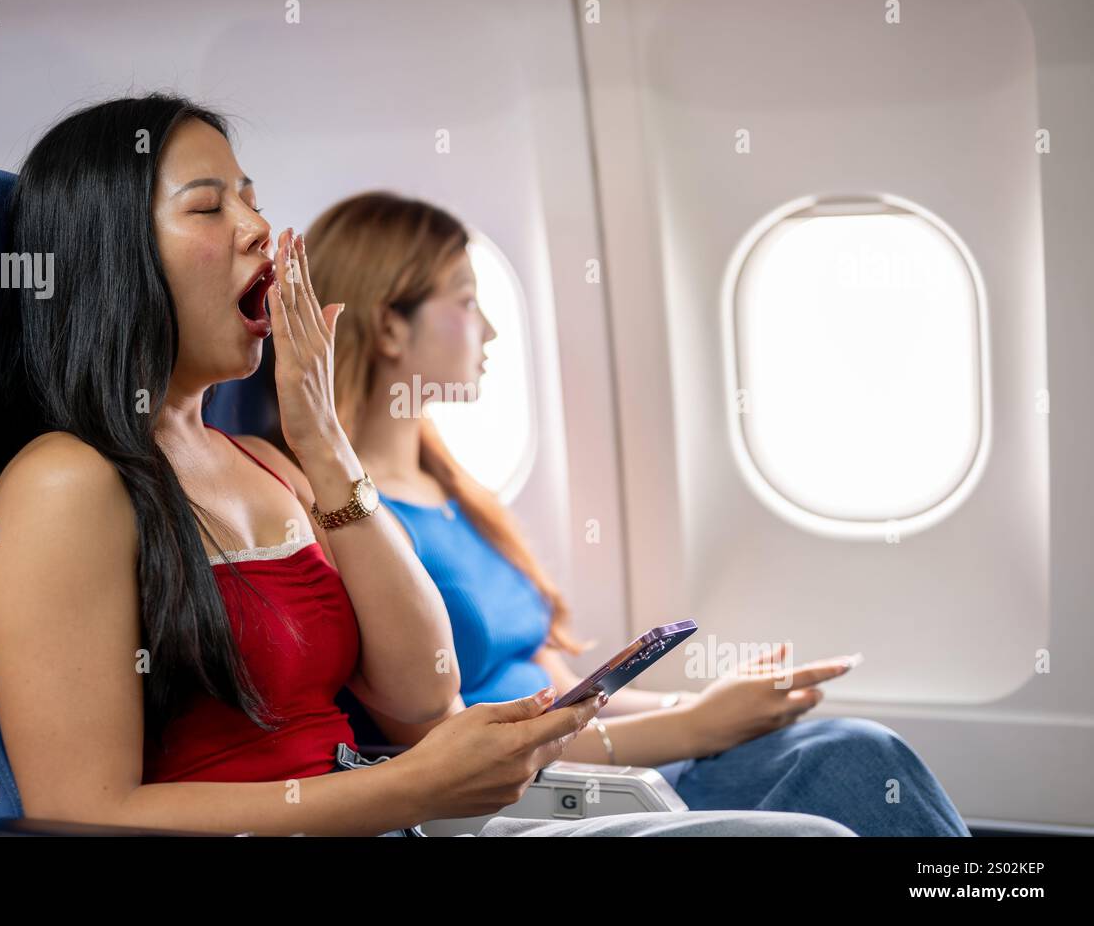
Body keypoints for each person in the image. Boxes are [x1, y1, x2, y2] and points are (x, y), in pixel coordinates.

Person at [0, 93, 853, 837]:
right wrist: (403, 790)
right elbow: (81, 812)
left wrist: (323, 441)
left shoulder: (270, 464)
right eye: (209, 208)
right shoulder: (64, 484)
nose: (259, 230)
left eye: (252, 199)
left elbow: (421, 698)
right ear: (111, 260)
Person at [270, 190, 970, 837]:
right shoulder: (344, 516)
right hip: (532, 794)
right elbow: (438, 743)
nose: (488, 331)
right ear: (390, 327)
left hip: (595, 758)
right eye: (466, 302)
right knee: (855, 759)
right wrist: (692, 727)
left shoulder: (452, 492)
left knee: (847, 741)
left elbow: (548, 689)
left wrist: (701, 709)